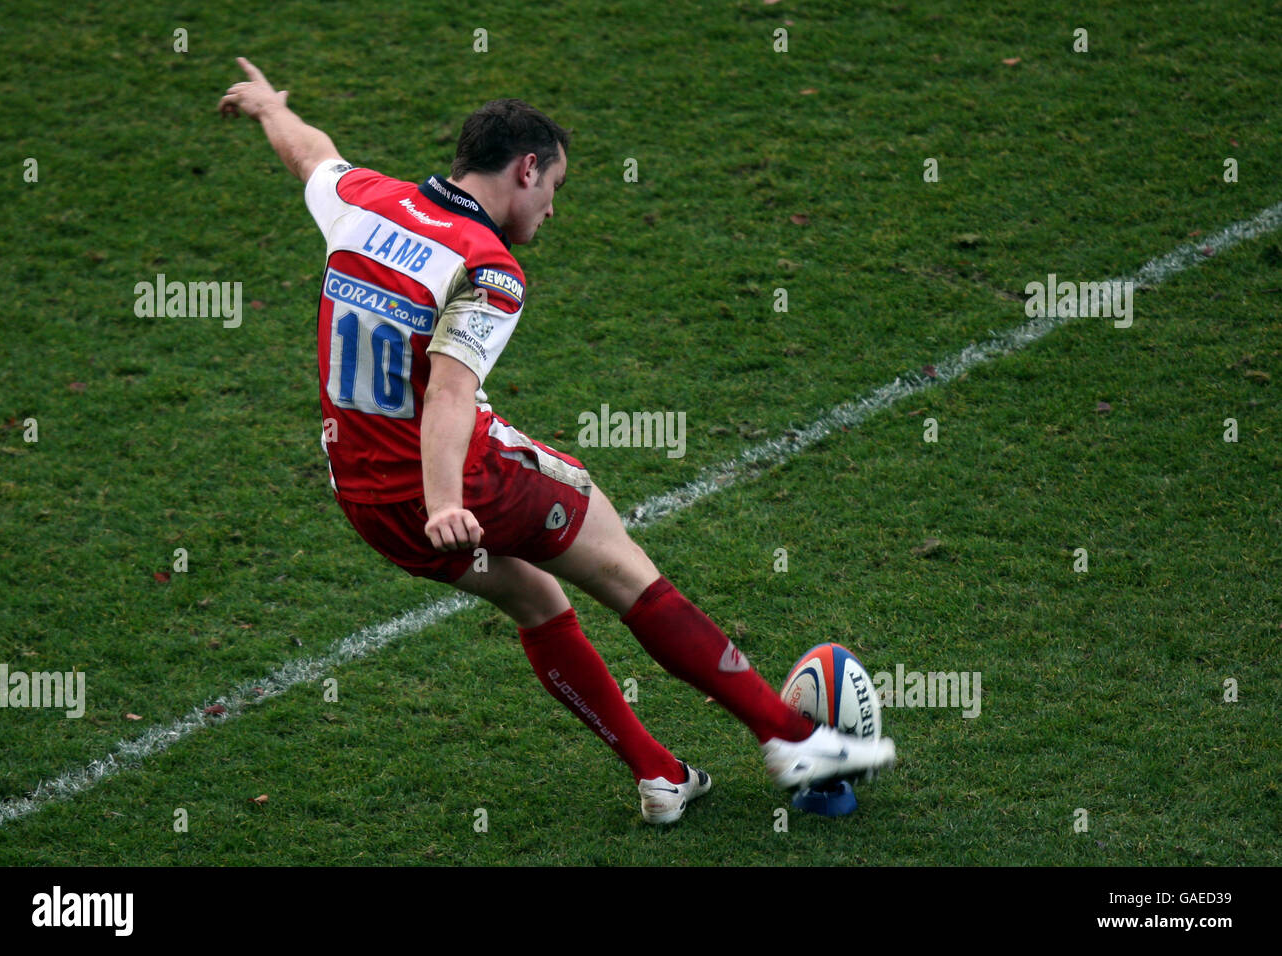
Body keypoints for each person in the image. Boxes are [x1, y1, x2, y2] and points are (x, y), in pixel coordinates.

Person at [219, 57, 894, 824]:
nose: (551, 211)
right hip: (454, 487)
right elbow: (447, 392)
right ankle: (792, 738)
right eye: (554, 190)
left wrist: (271, 107)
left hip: (366, 499)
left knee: (538, 600)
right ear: (526, 168)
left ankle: (660, 776)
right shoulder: (487, 268)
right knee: (622, 568)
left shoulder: (362, 200)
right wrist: (445, 501)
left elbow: (311, 152)